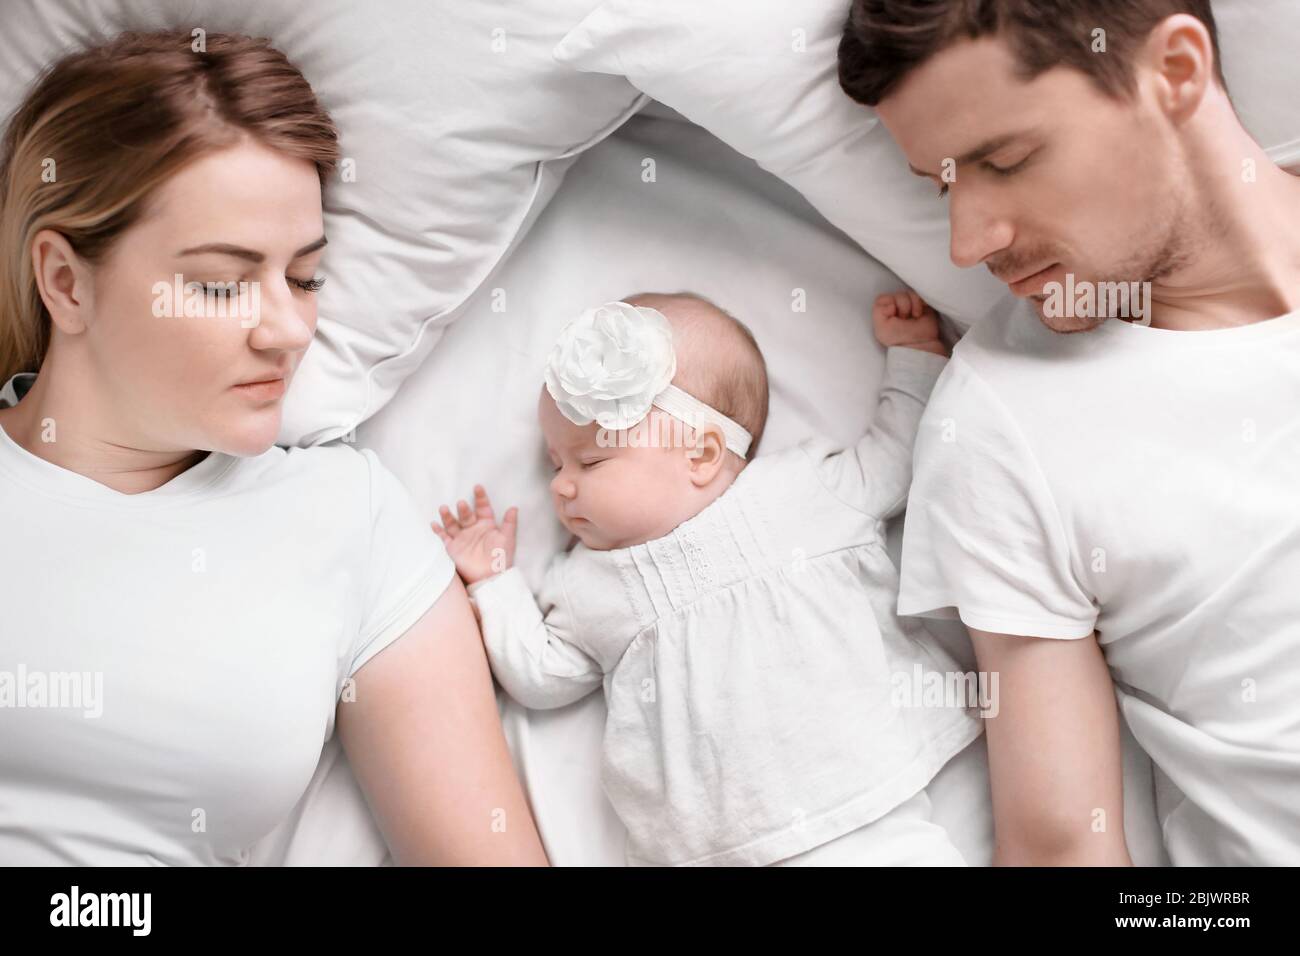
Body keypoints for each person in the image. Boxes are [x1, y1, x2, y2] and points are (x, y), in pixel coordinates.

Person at [0, 30, 546, 865]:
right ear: (66, 281)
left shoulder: (345, 520)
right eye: (223, 282)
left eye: (304, 277)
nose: (290, 331)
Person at [837, 0, 1300, 865]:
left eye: (1005, 160)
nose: (968, 241)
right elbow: (1061, 855)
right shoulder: (1002, 426)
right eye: (941, 183)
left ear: (1174, 74)